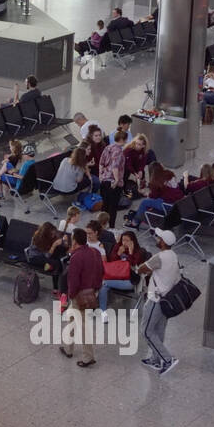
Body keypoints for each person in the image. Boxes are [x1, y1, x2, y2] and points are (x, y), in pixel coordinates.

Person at [137, 229, 181, 375]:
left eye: (158, 237)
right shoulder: (174, 256)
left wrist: (141, 268)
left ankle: (167, 359)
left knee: (146, 331)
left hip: (155, 299)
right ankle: (155, 359)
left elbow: (141, 269)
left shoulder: (159, 257)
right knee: (159, 330)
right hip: (167, 300)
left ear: (163, 242)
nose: (156, 239)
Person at [60, 229, 103, 367]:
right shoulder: (94, 252)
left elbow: (73, 280)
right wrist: (96, 289)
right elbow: (101, 271)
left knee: (83, 325)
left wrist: (70, 296)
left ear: (75, 240)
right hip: (92, 292)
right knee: (73, 319)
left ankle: (87, 357)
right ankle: (67, 348)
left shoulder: (76, 257)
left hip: (80, 295)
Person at [99, 230, 147, 314]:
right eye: (123, 240)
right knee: (103, 286)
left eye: (127, 240)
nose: (124, 243)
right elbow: (111, 263)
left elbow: (133, 265)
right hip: (115, 277)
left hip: (129, 280)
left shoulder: (139, 251)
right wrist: (118, 253)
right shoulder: (118, 247)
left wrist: (131, 252)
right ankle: (103, 311)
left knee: (104, 283)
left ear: (133, 241)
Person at [97, 129, 127, 227]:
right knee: (112, 207)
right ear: (122, 140)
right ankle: (111, 227)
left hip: (104, 180)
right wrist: (117, 180)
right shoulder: (119, 151)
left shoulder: (107, 148)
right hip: (113, 183)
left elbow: (101, 163)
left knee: (104, 205)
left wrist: (101, 176)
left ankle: (100, 225)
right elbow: (115, 166)